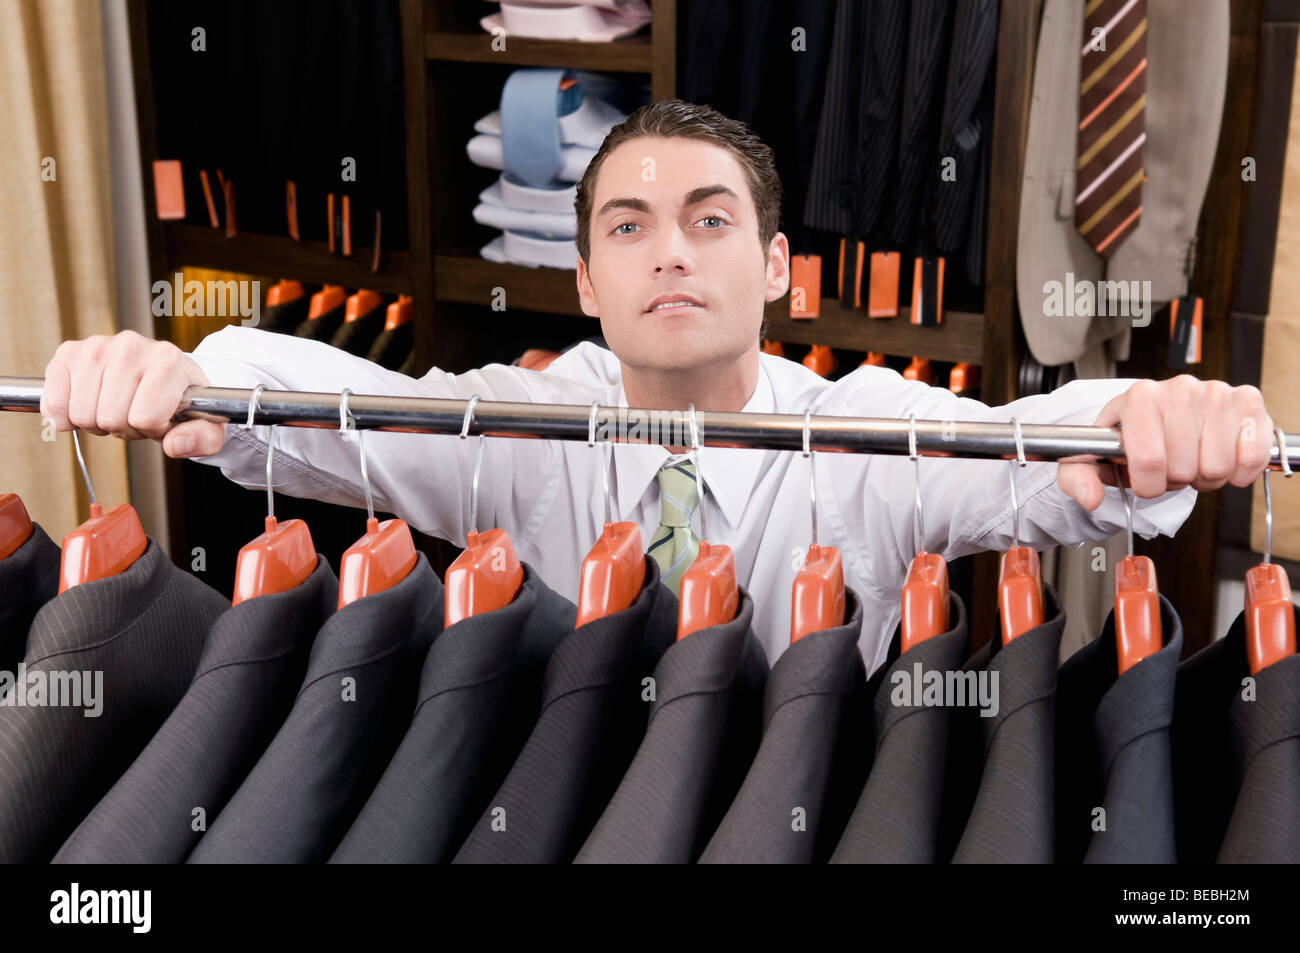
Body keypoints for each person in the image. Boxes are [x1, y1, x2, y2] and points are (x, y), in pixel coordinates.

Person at [38, 99, 1276, 669]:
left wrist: (1145, 419)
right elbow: (337, 411)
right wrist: (189, 373)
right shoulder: (517, 422)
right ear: (583, 278)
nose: (670, 249)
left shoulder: (862, 430)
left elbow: (1034, 449)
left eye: (707, 218)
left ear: (778, 266)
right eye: (627, 227)